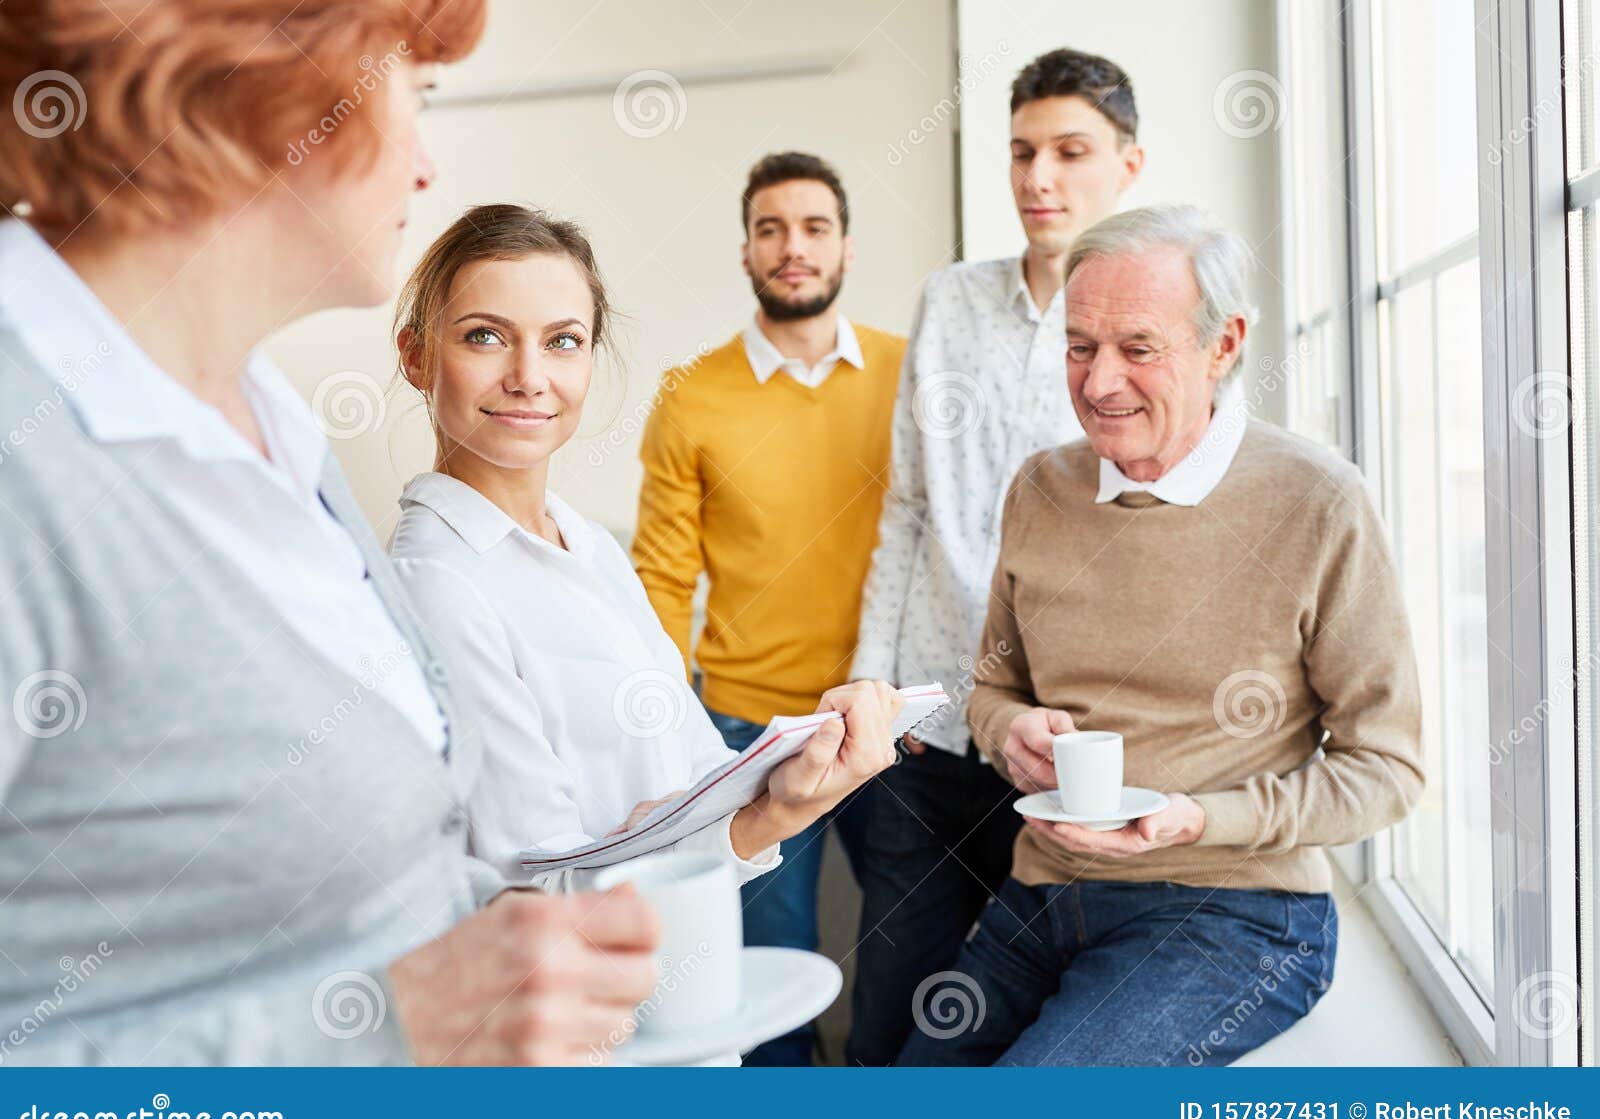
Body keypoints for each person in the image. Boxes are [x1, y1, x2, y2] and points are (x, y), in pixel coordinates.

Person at [0, 0, 659, 1066]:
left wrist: (504, 944)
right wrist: (384, 1030)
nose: (427, 168)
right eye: (418, 96)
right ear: (266, 84)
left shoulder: (266, 425)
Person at [898, 204, 1426, 1066]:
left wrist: (1202, 818)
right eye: (1079, 347)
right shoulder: (1040, 488)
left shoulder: (1317, 500)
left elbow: (1388, 768)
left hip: (1238, 913)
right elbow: (994, 687)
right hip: (1043, 893)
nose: (1099, 383)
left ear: (1225, 344)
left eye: (1138, 348)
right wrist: (1008, 729)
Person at [386, 202, 905, 925]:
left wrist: (802, 765)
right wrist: (767, 819)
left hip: (677, 959)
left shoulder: (587, 544)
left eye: (563, 341)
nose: (529, 377)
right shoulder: (438, 583)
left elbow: (698, 768)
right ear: (415, 357)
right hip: (580, 986)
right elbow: (536, 891)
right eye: (486, 336)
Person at [846, 47, 1145, 1065]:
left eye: (1069, 151)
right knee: (887, 1020)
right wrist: (875, 685)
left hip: (1063, 744)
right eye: (1021, 152)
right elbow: (905, 508)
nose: (1037, 178)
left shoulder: (1151, 334)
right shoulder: (949, 303)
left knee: (1011, 1035)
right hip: (928, 727)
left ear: (1129, 166)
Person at [630, 152, 907, 1064]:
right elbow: (662, 575)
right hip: (751, 728)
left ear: (847, 247)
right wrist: (662, 724)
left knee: (909, 954)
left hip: (889, 718)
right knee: (764, 970)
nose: (794, 247)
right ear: (747, 250)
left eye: (815, 227)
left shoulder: (910, 374)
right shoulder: (691, 394)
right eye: (771, 229)